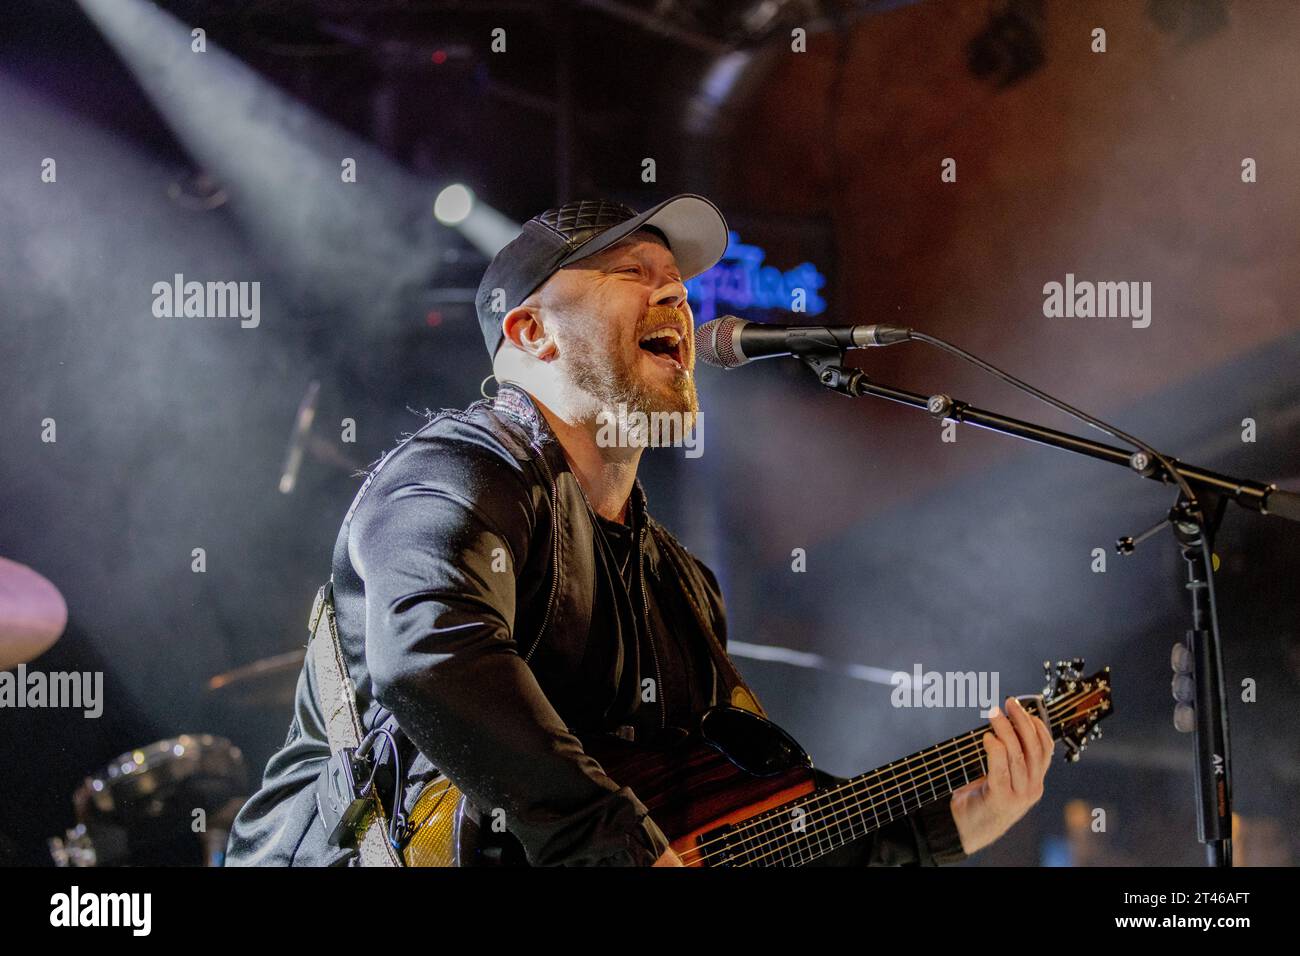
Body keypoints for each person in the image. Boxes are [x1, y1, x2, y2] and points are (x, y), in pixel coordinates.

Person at [225, 194, 1053, 867]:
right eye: (634, 273)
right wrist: (615, 848)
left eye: (679, 284)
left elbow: (742, 815)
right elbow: (433, 656)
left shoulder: (682, 587)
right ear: (531, 331)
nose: (677, 298)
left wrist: (944, 829)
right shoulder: (453, 472)